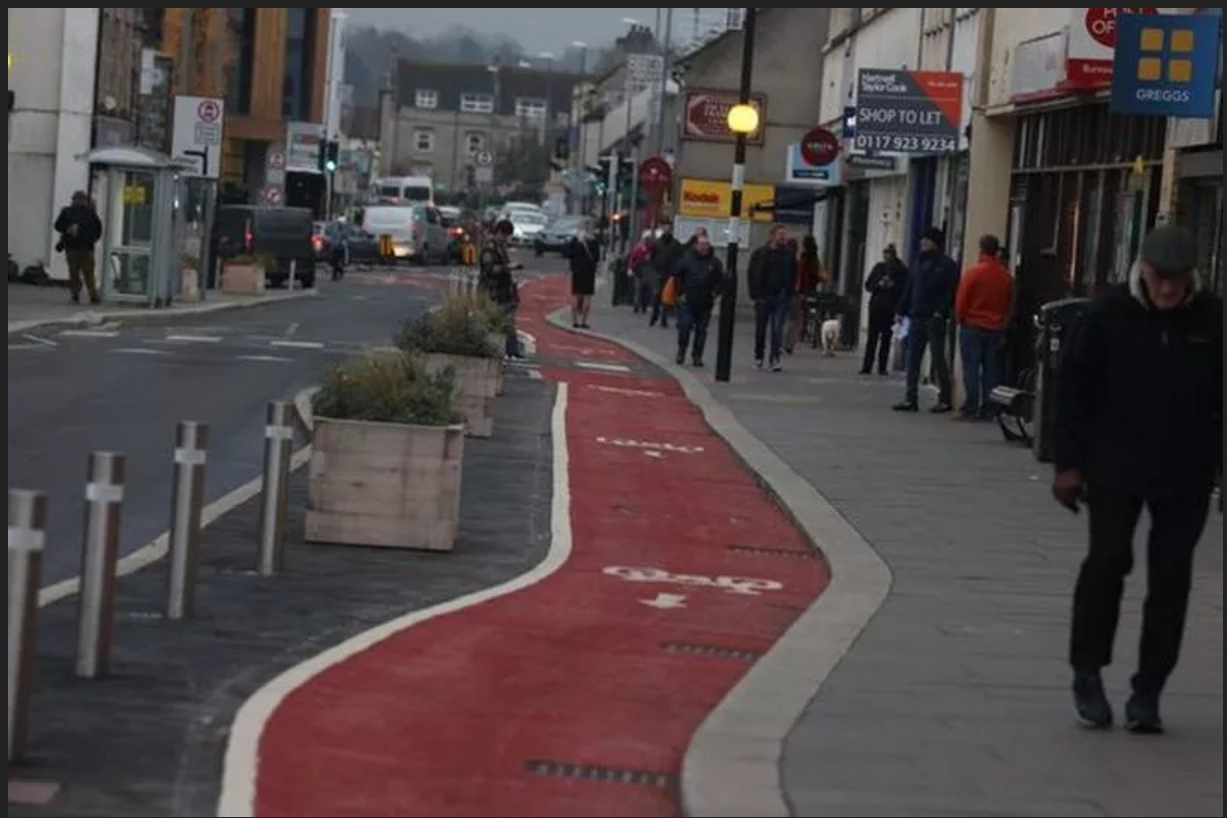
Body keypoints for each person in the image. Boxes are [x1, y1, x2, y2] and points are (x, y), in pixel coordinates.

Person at [1054, 225, 1222, 735]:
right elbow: (1073, 390)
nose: (1168, 290)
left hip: (1185, 471)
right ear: (1143, 270)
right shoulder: (1108, 314)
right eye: (1159, 278)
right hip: (1114, 464)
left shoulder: (1214, 317)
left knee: (1171, 580)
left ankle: (1148, 691)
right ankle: (1087, 672)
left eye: (1178, 280)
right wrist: (1068, 464)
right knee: (1108, 560)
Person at [893, 228, 960, 413]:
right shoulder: (919, 262)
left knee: (938, 358)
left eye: (926, 241)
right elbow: (910, 287)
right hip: (917, 315)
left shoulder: (947, 266)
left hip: (934, 318)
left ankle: (945, 399)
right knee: (913, 358)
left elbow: (951, 292)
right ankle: (910, 398)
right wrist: (901, 309)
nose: (922, 244)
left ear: (935, 243)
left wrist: (941, 312)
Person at [954, 235, 1015, 420]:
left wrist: (961, 319)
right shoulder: (1006, 277)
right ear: (997, 251)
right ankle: (989, 408)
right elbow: (1010, 304)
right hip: (995, 328)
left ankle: (971, 406)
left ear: (981, 249)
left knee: (971, 368)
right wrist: (1003, 324)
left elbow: (961, 300)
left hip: (972, 326)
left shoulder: (973, 273)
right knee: (991, 370)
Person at [748, 225, 798, 371]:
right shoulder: (760, 253)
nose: (784, 237)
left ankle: (775, 358)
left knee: (777, 329)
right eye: (781, 234)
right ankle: (759, 357)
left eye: (785, 235)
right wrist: (755, 294)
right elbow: (752, 273)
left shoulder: (789, 254)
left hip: (781, 297)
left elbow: (793, 274)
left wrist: (789, 292)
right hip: (763, 296)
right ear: (771, 236)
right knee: (760, 330)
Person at [674, 231, 725, 368]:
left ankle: (697, 356)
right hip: (687, 300)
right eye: (701, 244)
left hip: (705, 301)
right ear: (696, 245)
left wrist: (715, 293)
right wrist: (680, 293)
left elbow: (721, 280)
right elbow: (677, 276)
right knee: (684, 326)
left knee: (701, 330)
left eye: (706, 244)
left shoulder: (714, 262)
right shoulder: (686, 259)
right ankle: (681, 351)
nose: (704, 247)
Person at [479, 219, 525, 360]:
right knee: (492, 320)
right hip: (492, 290)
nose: (506, 239)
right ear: (498, 232)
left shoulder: (500, 246)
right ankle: (497, 348)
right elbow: (489, 269)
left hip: (504, 290)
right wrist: (508, 267)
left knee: (509, 320)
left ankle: (512, 350)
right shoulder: (489, 248)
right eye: (504, 236)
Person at [861, 244, 909, 376]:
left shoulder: (902, 270)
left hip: (891, 307)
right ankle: (867, 366)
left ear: (894, 255)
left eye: (889, 254)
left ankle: (882, 367)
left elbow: (905, 290)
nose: (887, 256)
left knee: (886, 338)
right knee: (872, 337)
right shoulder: (879, 268)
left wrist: (893, 286)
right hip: (876, 306)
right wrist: (879, 284)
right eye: (885, 253)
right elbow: (868, 285)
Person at [54, 190, 104, 305]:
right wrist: (68, 229)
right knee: (78, 273)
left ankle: (90, 295)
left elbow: (97, 230)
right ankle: (80, 295)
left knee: (84, 273)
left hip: (83, 247)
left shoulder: (89, 213)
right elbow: (58, 225)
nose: (77, 201)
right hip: (76, 247)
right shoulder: (68, 212)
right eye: (76, 199)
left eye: (79, 199)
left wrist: (91, 239)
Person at [785, 236, 827, 355]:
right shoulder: (814, 259)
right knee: (798, 318)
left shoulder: (801, 258)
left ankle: (788, 342)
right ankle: (790, 343)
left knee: (794, 318)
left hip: (797, 290)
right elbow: (819, 276)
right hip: (806, 291)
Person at [648, 222, 685, 330]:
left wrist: (676, 271)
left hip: (670, 274)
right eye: (665, 228)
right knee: (657, 295)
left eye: (669, 229)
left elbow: (680, 257)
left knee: (667, 297)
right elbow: (652, 257)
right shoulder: (657, 243)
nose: (667, 230)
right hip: (658, 273)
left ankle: (664, 318)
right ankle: (655, 315)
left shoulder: (675, 244)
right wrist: (653, 269)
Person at [568, 222, 601, 329]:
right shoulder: (594, 241)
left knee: (576, 294)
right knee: (587, 296)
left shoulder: (575, 240)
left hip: (577, 270)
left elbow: (569, 254)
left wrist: (573, 265)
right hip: (589, 271)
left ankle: (574, 321)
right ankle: (584, 322)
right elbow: (597, 257)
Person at [628, 230, 656, 315]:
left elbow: (632, 258)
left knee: (642, 289)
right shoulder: (641, 247)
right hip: (642, 269)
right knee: (641, 288)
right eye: (647, 238)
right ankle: (639, 305)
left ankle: (640, 305)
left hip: (643, 270)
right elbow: (633, 258)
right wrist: (630, 268)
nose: (648, 240)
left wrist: (630, 267)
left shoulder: (647, 247)